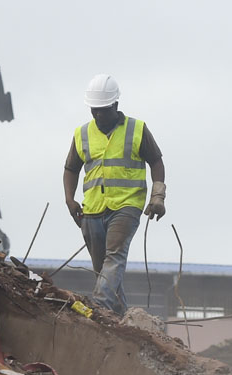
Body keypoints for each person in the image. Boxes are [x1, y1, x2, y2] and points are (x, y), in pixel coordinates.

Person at [62, 74, 166, 315]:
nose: (98, 116)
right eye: (94, 110)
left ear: (115, 106)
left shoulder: (136, 129)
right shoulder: (82, 134)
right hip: (92, 210)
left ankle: (98, 307)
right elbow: (70, 168)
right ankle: (121, 322)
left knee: (115, 257)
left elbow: (156, 161)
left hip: (126, 206)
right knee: (105, 271)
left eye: (103, 111)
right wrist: (69, 199)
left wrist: (157, 196)